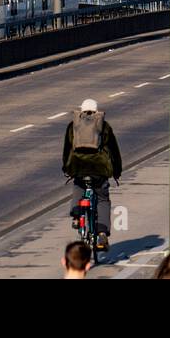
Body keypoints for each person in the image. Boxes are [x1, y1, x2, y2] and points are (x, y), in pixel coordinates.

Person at [62, 98, 122, 252]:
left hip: (79, 167)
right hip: (99, 170)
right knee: (102, 199)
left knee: (78, 185)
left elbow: (67, 149)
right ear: (97, 112)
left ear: (81, 111)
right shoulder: (104, 126)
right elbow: (114, 151)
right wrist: (117, 171)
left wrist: (67, 168)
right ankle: (101, 233)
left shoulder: (73, 126)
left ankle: (76, 215)